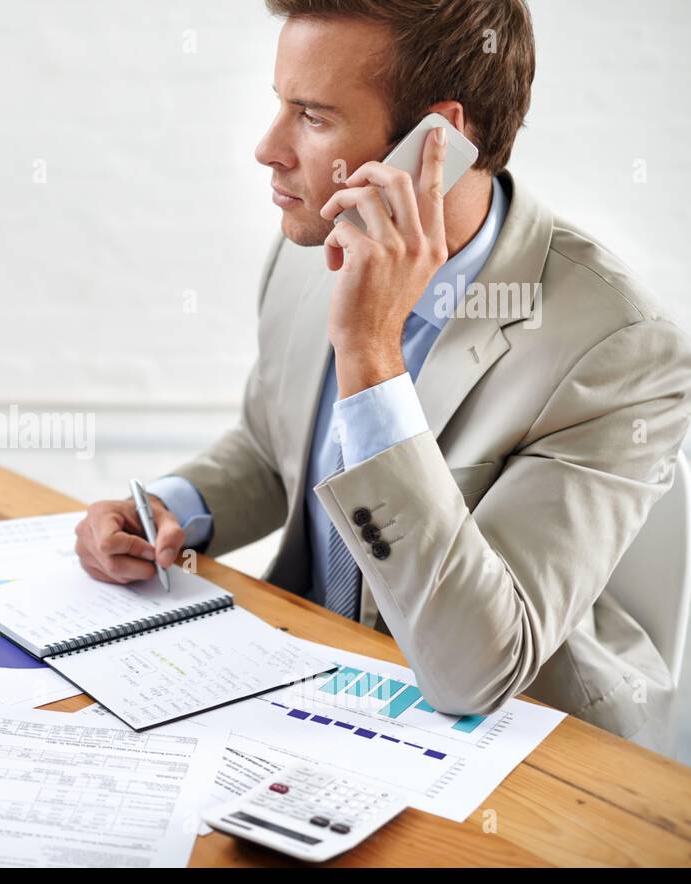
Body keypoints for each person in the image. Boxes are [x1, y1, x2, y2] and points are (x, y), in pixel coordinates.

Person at [74, 0, 691, 753]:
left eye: (312, 116)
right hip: (312, 683)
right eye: (280, 105)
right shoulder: (319, 241)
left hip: (528, 747)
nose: (267, 149)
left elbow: (479, 667)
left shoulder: (618, 348)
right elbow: (276, 449)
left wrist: (371, 358)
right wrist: (174, 508)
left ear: (440, 144)